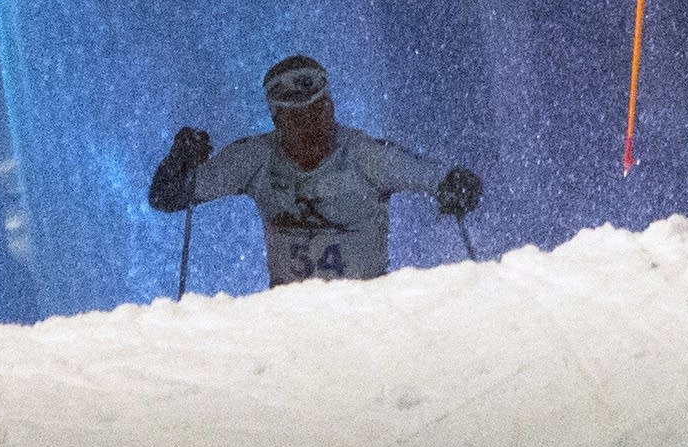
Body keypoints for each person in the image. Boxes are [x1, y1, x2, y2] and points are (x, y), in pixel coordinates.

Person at [147, 54, 483, 287]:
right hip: (292, 323)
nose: (312, 126)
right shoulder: (255, 159)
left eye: (318, 111)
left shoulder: (365, 156)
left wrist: (456, 185)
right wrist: (177, 160)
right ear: (277, 119)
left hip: (368, 318)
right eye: (298, 117)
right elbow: (167, 196)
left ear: (331, 106)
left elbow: (444, 179)